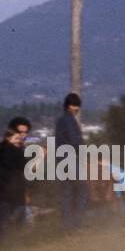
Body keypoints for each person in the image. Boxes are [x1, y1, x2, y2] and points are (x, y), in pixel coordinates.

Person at [0, 124, 28, 238]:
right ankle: (17, 247)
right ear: (8, 138)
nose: (19, 141)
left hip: (0, 194)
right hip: (15, 194)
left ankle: (3, 247)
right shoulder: (17, 153)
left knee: (3, 222)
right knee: (19, 223)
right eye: (17, 138)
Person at [55, 92, 88, 231]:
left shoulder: (61, 120)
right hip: (71, 160)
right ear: (70, 106)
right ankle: (77, 225)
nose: (77, 109)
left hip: (62, 161)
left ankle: (67, 227)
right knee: (82, 191)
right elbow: (75, 141)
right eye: (75, 106)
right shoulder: (69, 120)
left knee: (67, 194)